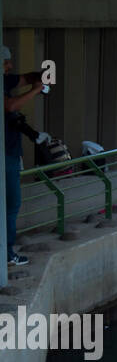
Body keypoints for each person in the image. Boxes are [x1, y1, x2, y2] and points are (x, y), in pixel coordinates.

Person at [4, 47, 48, 268]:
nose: (10, 66)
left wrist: (39, 76)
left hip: (10, 155)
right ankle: (7, 253)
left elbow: (23, 78)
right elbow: (9, 106)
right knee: (11, 205)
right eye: (5, 63)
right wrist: (36, 90)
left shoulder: (5, 80)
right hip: (6, 157)